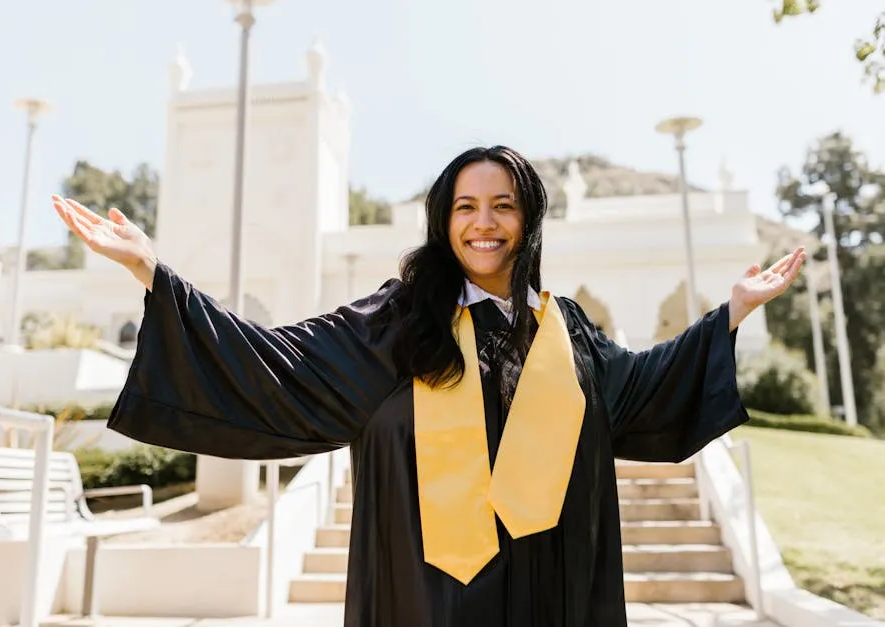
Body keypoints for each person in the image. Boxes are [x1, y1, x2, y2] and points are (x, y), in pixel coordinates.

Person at [51, 145, 805, 627]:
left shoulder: (562, 328)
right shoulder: (396, 321)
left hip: (550, 593)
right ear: (444, 221)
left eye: (503, 205)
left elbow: (642, 388)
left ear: (529, 220)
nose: (484, 223)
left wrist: (731, 313)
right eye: (466, 207)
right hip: (423, 598)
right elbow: (272, 361)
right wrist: (154, 273)